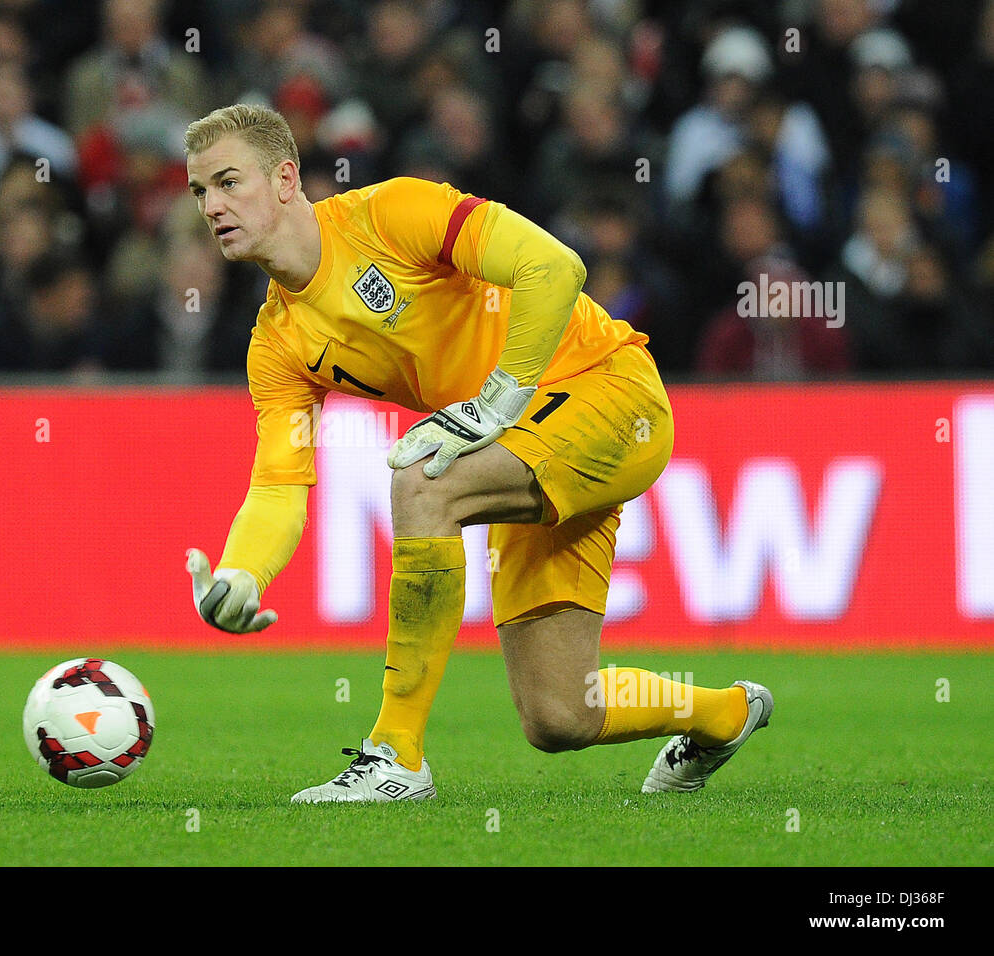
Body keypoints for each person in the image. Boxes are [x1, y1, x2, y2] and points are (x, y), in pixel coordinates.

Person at [182, 104, 772, 802]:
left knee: (424, 483)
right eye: (199, 192)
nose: (212, 206)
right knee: (560, 715)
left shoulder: (391, 214)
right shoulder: (276, 343)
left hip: (609, 394)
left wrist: (498, 398)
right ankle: (727, 714)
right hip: (528, 440)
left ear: (285, 179)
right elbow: (280, 483)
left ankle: (396, 756)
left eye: (227, 182)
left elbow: (555, 267)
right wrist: (244, 573)